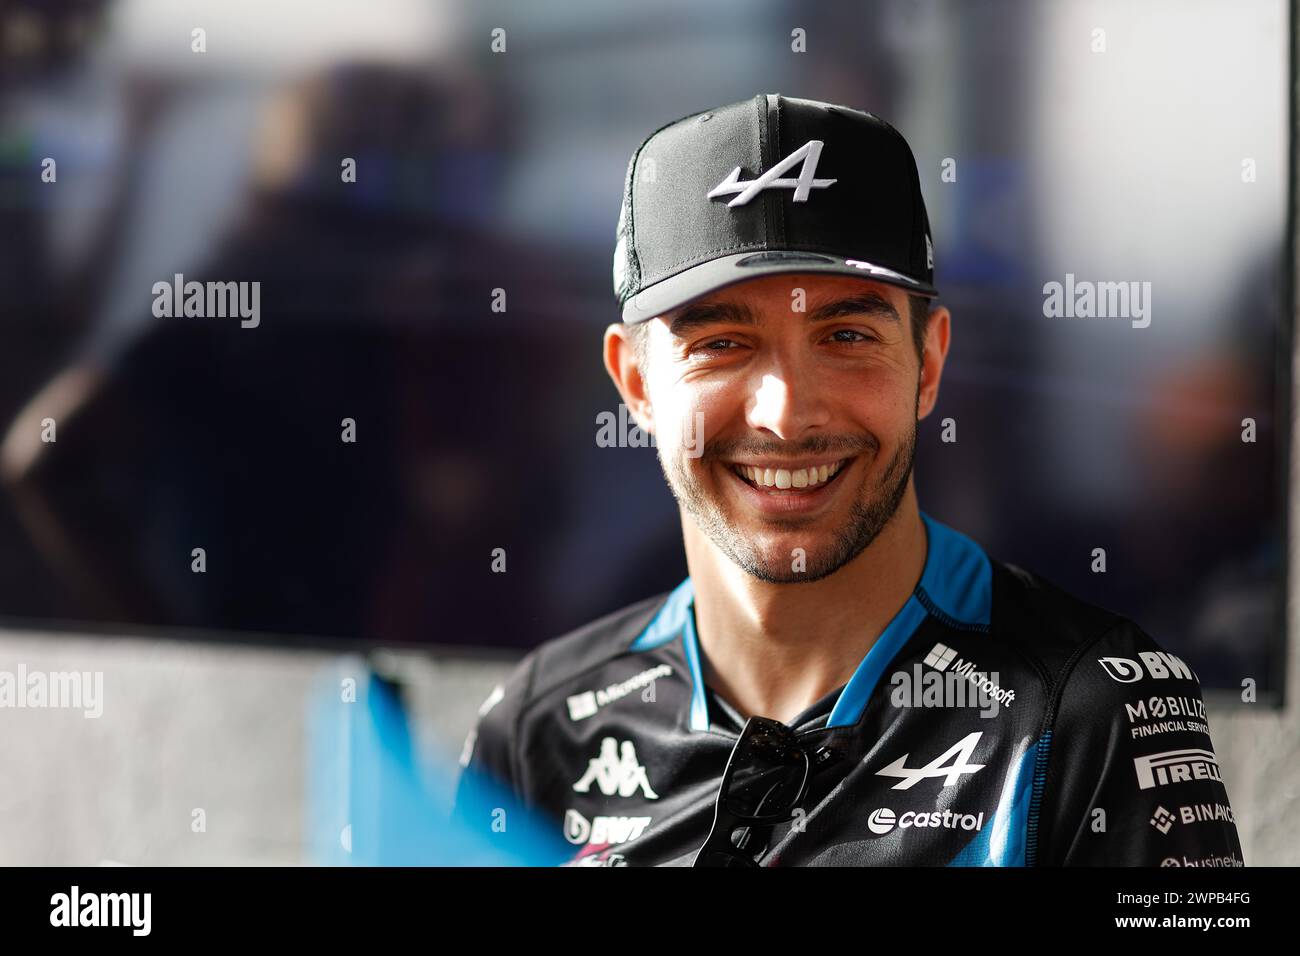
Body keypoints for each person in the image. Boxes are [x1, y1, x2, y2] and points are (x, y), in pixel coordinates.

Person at [452, 94, 1243, 867]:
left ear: (928, 364)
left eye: (847, 334)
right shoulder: (537, 732)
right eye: (722, 342)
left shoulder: (1096, 713)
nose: (787, 414)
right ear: (636, 386)